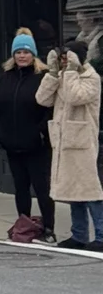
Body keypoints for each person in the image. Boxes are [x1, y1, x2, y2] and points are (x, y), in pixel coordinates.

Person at [36, 40, 103, 250]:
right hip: (65, 141)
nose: (64, 61)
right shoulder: (64, 75)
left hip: (83, 142)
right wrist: (52, 73)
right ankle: (79, 235)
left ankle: (101, 235)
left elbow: (75, 97)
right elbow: (42, 99)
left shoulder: (91, 77)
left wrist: (72, 71)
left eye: (68, 57)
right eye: (63, 58)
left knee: (90, 191)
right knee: (74, 191)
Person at [0, 29, 54, 242]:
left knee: (42, 189)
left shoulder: (43, 77)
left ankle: (49, 228)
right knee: (21, 188)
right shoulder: (6, 77)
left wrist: (40, 133)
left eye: (26, 52)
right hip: (12, 144)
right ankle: (24, 225)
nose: (22, 56)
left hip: (37, 145)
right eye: (18, 52)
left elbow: (50, 109)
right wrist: (0, 133)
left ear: (33, 54)